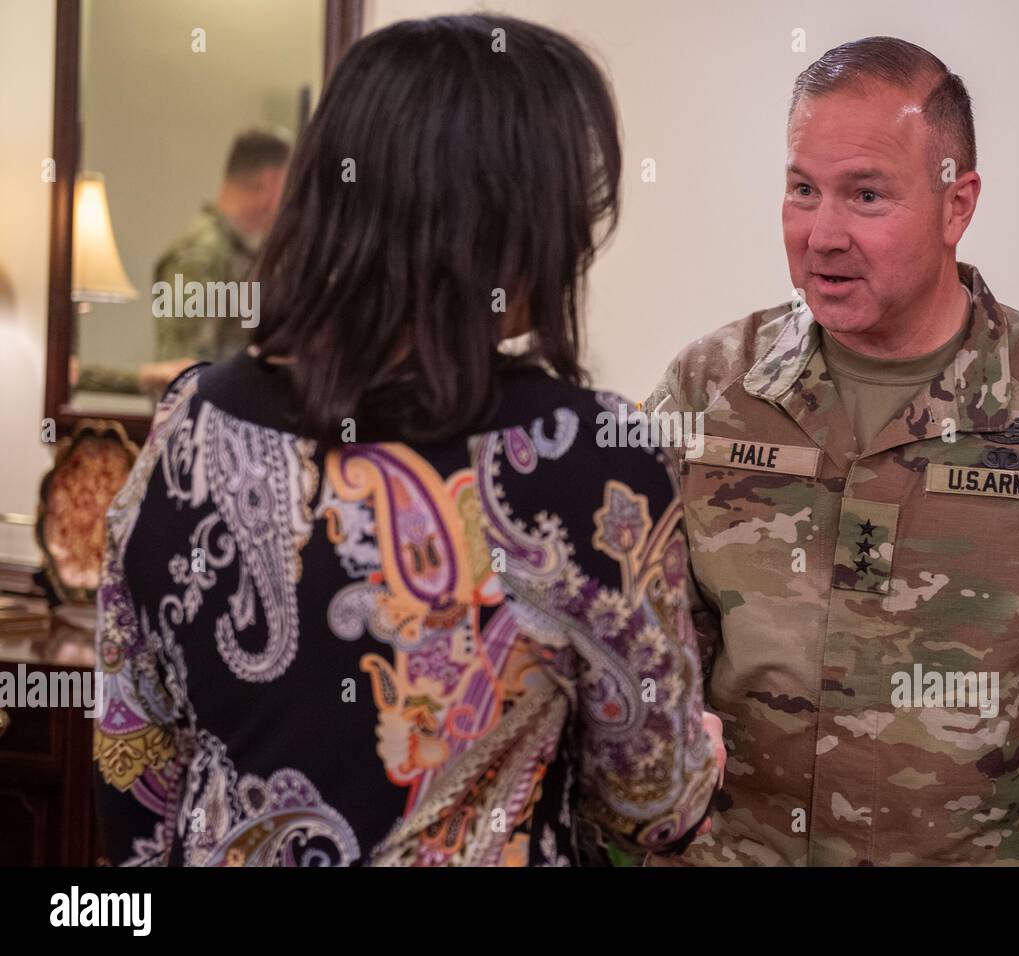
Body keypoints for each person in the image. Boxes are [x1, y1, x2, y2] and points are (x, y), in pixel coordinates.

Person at [93, 15, 720, 867]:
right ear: (519, 221)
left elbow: (134, 755)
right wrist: (701, 757)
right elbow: (651, 802)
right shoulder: (590, 462)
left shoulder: (191, 419)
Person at [644, 36, 1019, 866]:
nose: (823, 233)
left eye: (867, 195)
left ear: (958, 204)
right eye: (803, 190)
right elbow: (635, 693)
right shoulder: (707, 391)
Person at [152, 127, 292, 365]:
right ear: (271, 182)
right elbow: (184, 375)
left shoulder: (250, 255)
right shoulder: (200, 255)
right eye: (293, 183)